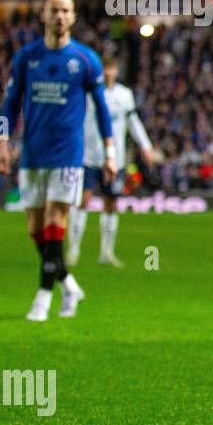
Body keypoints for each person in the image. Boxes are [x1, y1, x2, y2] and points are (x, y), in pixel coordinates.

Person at [0, 0, 115, 321]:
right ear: (44, 16)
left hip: (67, 156)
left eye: (65, 10)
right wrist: (2, 143)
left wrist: (110, 151)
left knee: (53, 223)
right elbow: (8, 105)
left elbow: (103, 110)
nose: (60, 16)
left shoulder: (86, 60)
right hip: (33, 155)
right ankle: (69, 283)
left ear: (73, 17)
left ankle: (43, 297)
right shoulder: (26, 58)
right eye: (54, 10)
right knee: (35, 228)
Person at [68, 55, 158, 268]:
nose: (108, 73)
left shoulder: (125, 95)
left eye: (112, 69)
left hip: (115, 159)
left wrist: (145, 146)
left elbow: (133, 121)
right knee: (83, 201)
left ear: (116, 71)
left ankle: (107, 252)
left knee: (111, 203)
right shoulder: (89, 92)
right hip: (89, 156)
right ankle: (74, 249)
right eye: (105, 69)